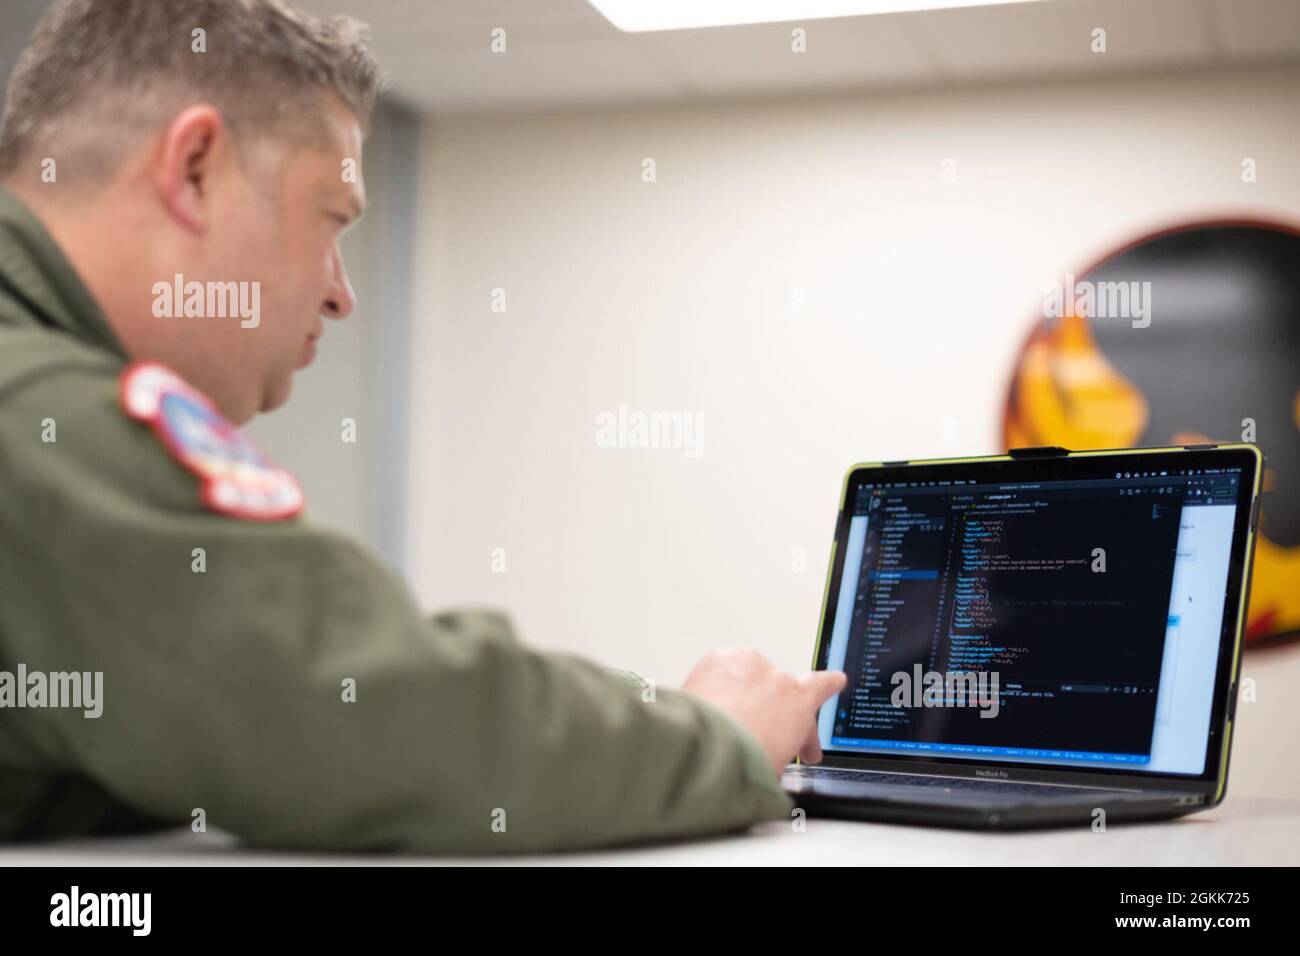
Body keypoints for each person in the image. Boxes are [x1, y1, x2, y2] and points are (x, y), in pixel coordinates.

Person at [0, 0, 845, 853]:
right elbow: (369, 715)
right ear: (193, 169)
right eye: (330, 220)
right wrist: (716, 737)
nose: (341, 292)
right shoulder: (35, 410)